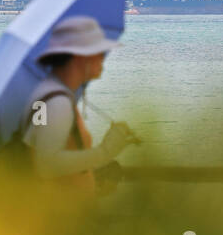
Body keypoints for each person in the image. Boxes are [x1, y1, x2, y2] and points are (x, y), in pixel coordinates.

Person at [21, 16, 137, 191]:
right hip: (59, 212)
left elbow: (38, 147)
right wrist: (105, 152)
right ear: (80, 58)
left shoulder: (46, 93)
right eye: (99, 53)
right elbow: (46, 165)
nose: (102, 60)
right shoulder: (57, 102)